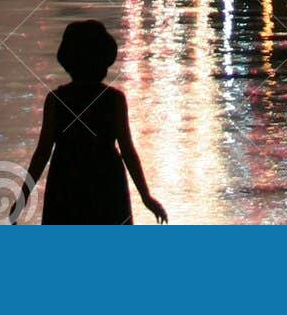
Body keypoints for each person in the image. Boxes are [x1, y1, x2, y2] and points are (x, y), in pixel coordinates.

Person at [10, 21, 168, 225]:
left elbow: (42, 153)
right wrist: (146, 197)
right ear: (103, 62)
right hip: (107, 183)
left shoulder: (56, 101)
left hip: (65, 183)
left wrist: (22, 199)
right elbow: (127, 150)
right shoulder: (114, 100)